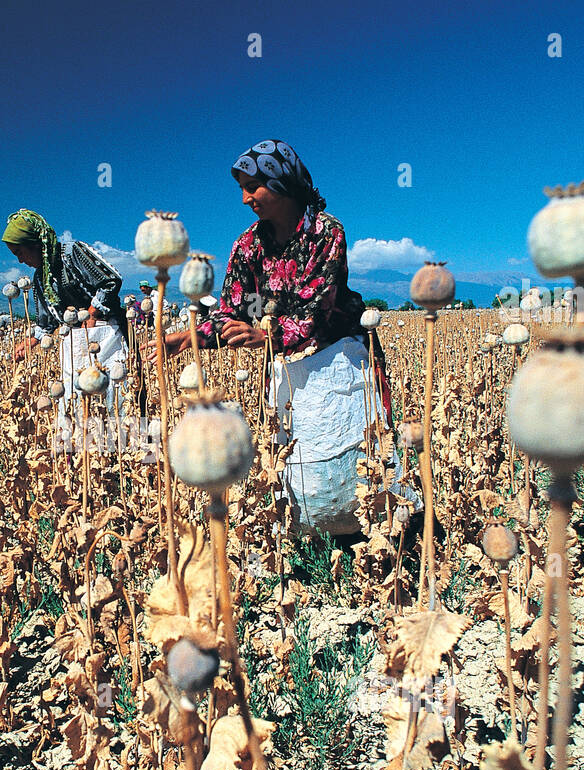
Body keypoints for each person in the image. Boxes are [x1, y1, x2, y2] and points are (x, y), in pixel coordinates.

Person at [154, 138, 403, 533]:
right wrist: (186, 338)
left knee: (358, 447)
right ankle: (313, 536)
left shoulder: (326, 232)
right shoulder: (247, 246)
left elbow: (317, 309)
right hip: (286, 365)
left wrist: (264, 334)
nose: (245, 198)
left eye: (252, 186)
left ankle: (379, 528)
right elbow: (232, 312)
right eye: (240, 188)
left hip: (340, 354)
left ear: (282, 181)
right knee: (299, 452)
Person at [2, 208, 133, 443]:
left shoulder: (72, 252)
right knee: (72, 401)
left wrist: (91, 313)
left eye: (20, 252)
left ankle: (122, 457)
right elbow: (48, 321)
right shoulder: (40, 278)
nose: (20, 260)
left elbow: (111, 279)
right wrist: (31, 341)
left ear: (36, 243)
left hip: (106, 334)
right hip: (73, 342)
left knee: (115, 397)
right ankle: (82, 459)